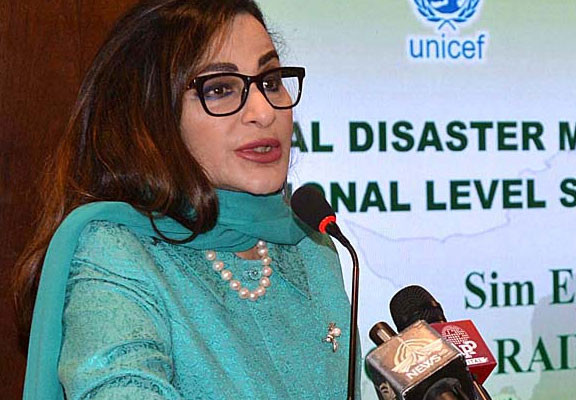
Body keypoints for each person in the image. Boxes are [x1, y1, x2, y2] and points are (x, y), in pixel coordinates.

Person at [12, 0, 358, 398]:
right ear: (152, 116)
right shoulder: (117, 250)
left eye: (270, 81)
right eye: (220, 89)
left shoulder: (309, 246)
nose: (264, 112)